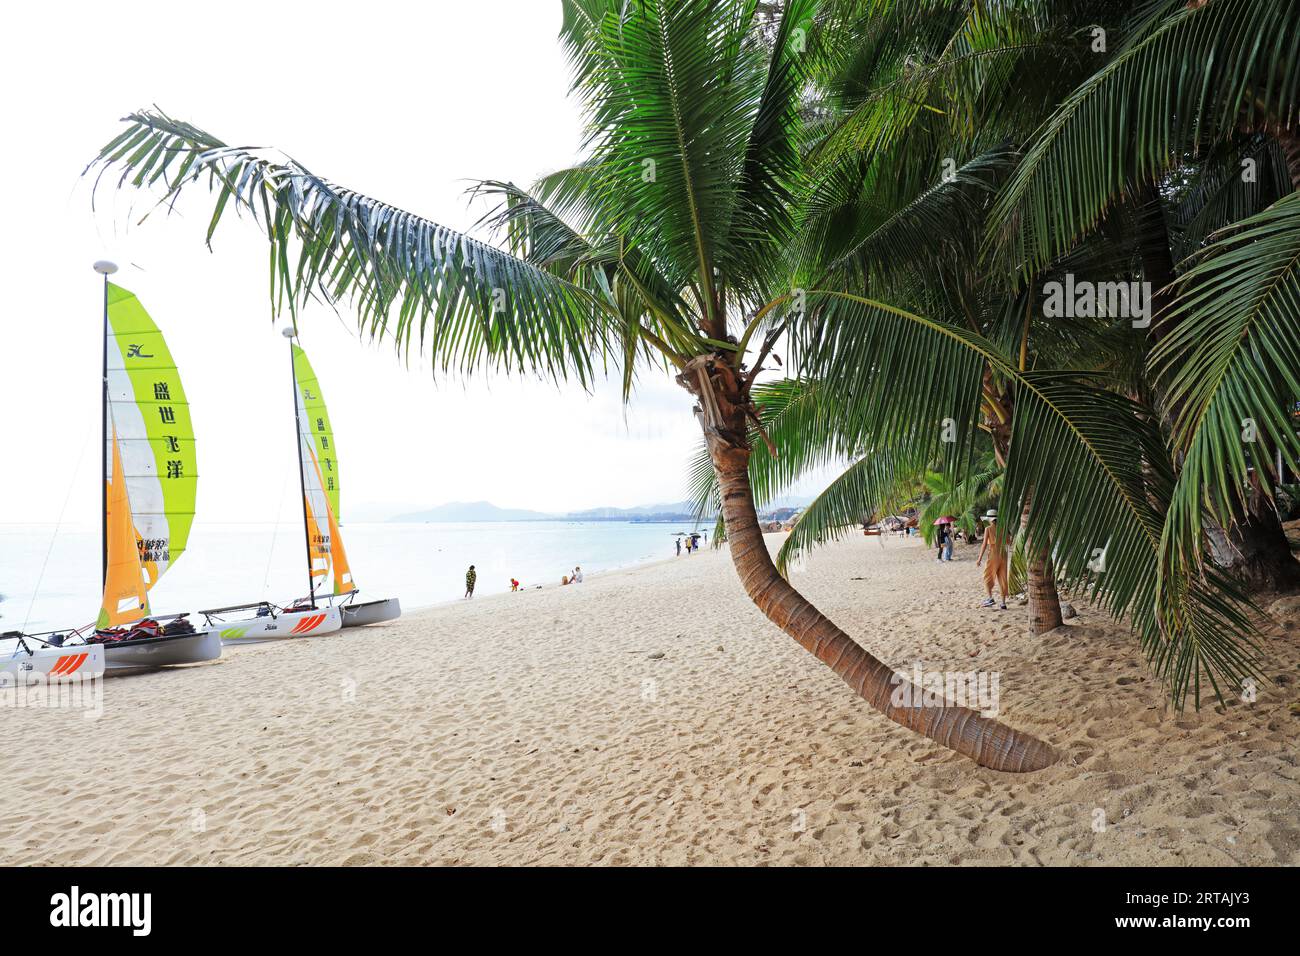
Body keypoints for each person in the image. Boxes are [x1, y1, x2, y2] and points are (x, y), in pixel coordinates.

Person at [976, 510, 1009, 610]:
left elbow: (984, 544)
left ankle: (990, 598)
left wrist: (979, 559)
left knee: (987, 576)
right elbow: (1009, 541)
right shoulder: (1003, 528)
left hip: (994, 554)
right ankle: (1003, 603)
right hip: (1003, 554)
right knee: (1002, 578)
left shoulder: (988, 529)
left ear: (989, 519)